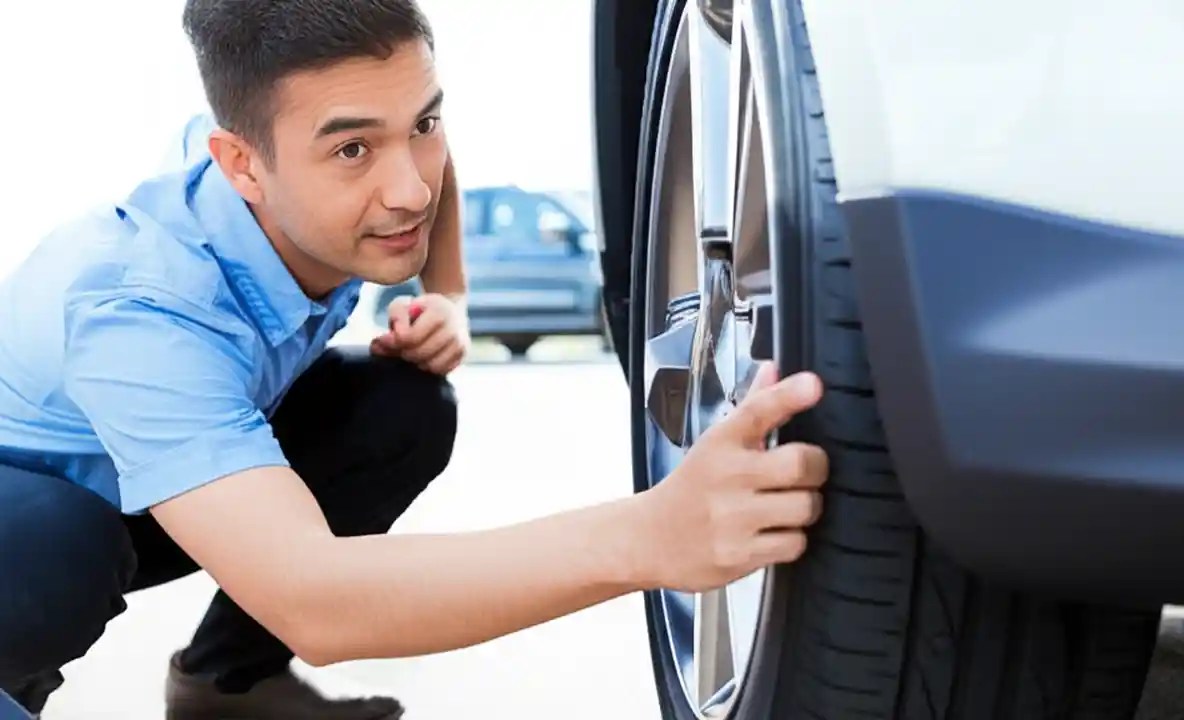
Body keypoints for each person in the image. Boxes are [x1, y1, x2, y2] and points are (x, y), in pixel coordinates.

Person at [0, 1, 829, 718]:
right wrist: (651, 535)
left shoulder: (284, 145)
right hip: (38, 517)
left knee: (402, 405)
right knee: (59, 545)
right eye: (354, 150)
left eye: (422, 125)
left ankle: (229, 690)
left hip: (141, 483)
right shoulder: (141, 310)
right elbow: (317, 601)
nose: (410, 190)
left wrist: (453, 297)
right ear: (242, 165)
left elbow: (424, 161)